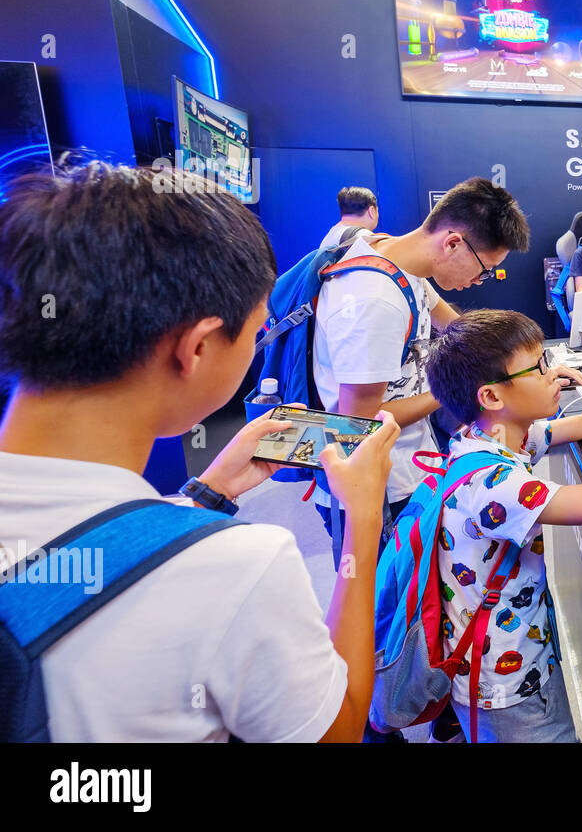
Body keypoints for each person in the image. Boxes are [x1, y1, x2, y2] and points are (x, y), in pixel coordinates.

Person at [0, 163, 399, 742]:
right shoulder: (240, 565)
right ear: (199, 347)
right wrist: (362, 523)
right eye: (258, 331)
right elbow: (335, 732)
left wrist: (204, 495)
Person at [426, 312, 582, 742]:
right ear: (492, 396)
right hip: (508, 689)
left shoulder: (489, 438)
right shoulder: (497, 486)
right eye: (537, 367)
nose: (553, 373)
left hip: (505, 665)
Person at [312, 177, 530, 526]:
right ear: (453, 243)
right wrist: (448, 392)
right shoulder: (375, 301)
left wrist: (528, 365)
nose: (478, 281)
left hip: (414, 468)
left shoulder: (397, 258)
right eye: (483, 270)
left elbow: (458, 328)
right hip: (380, 492)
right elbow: (354, 426)